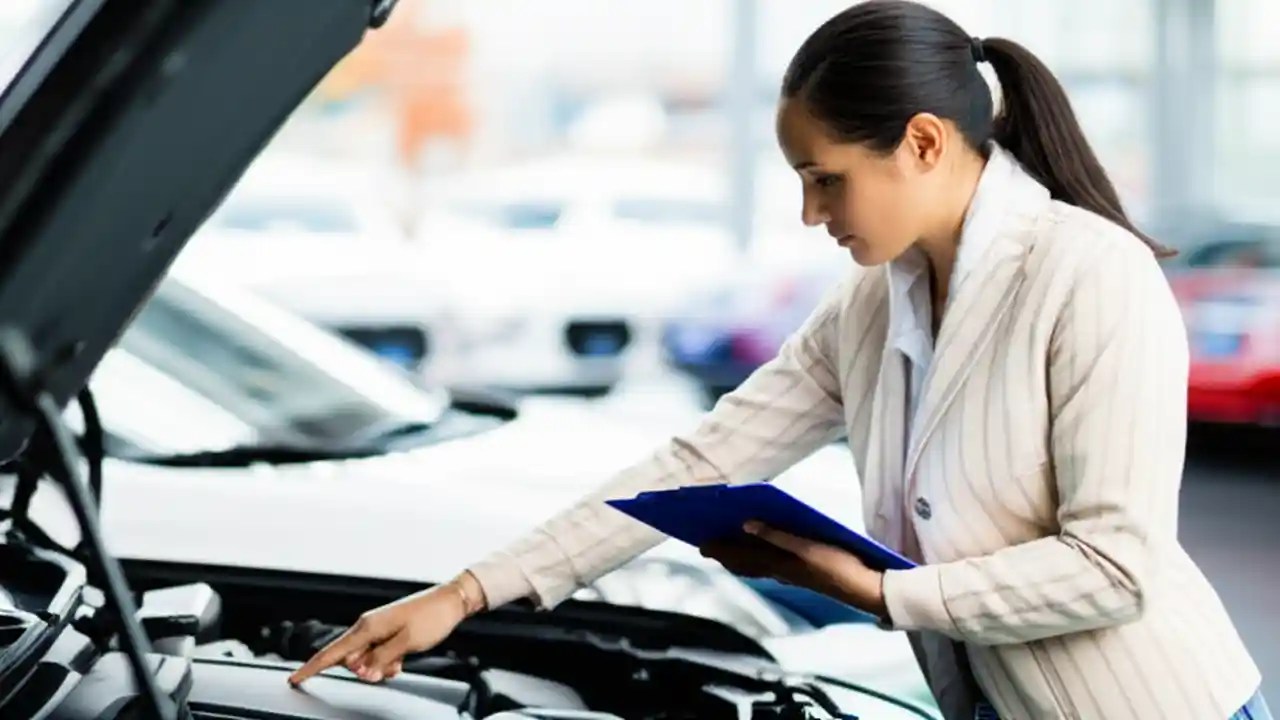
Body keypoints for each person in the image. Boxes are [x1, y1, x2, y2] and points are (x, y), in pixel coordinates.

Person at [289, 2, 1269, 718]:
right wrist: (463, 595)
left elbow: (1113, 567)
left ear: (921, 143)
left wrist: (879, 594)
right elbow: (695, 462)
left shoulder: (1086, 273)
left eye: (823, 180)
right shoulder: (868, 307)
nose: (811, 215)